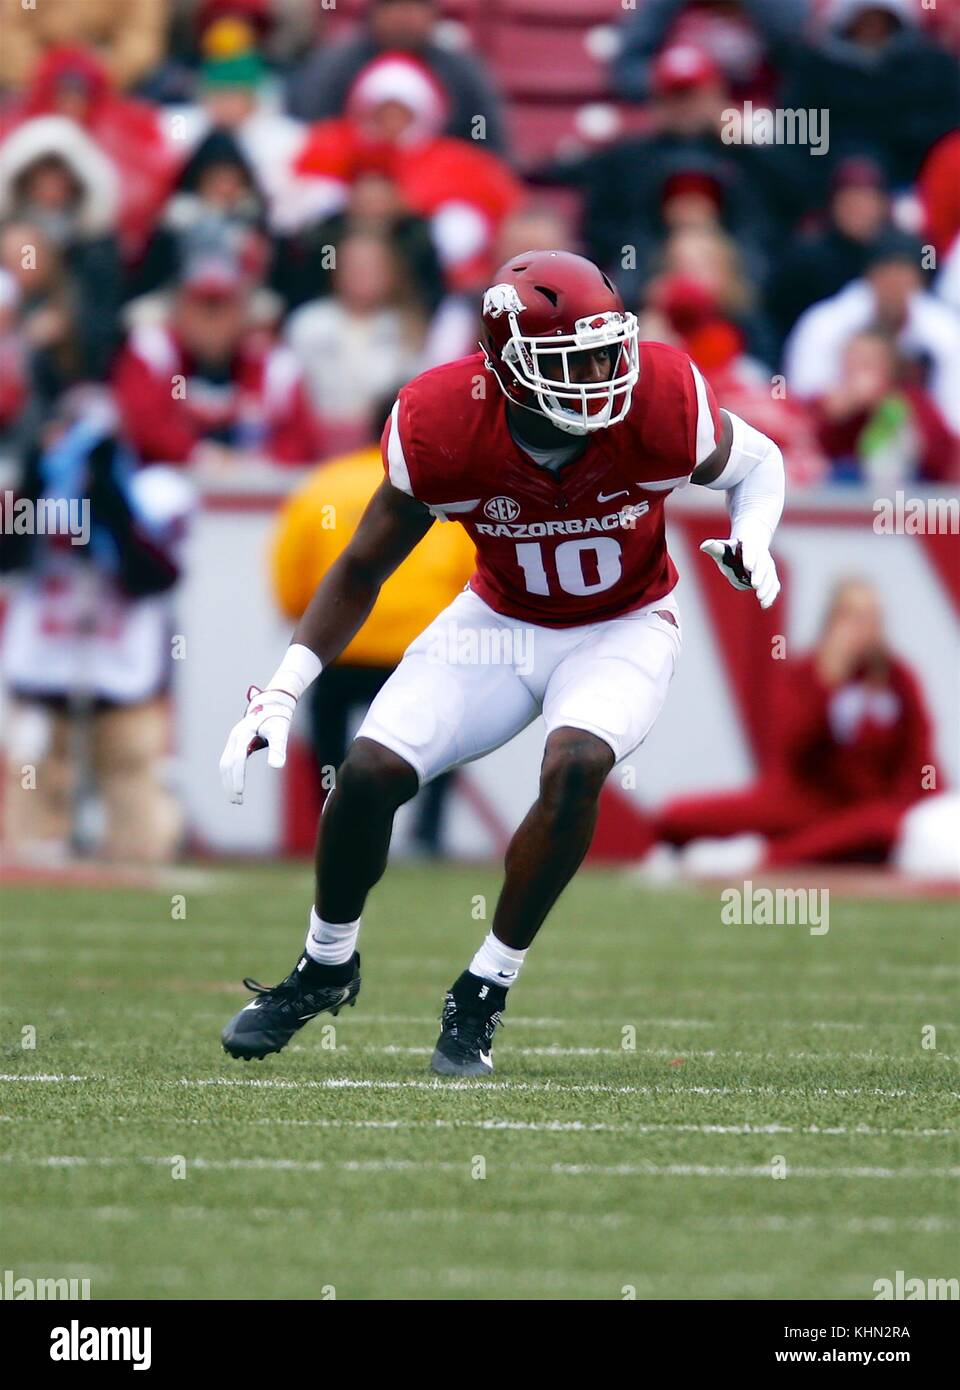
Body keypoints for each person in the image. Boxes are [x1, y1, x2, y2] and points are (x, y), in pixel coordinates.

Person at [216, 249, 785, 1077]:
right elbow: (363, 566)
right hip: (499, 621)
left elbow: (759, 463)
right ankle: (323, 964)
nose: (599, 376)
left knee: (579, 760)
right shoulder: (443, 427)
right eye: (571, 360)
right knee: (368, 771)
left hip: (622, 623)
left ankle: (483, 991)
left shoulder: (660, 400)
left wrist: (753, 536)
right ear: (506, 367)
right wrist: (282, 691)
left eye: (606, 351)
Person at [270, 400, 476, 856]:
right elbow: (474, 572)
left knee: (331, 749)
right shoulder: (445, 487)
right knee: (444, 744)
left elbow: (290, 566)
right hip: (421, 647)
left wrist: (304, 623)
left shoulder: (324, 484)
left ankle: (333, 832)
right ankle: (426, 836)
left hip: (341, 645)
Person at [637, 579, 935, 871]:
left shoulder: (897, 680)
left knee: (882, 827)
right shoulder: (809, 672)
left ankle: (761, 859)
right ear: (832, 621)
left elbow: (918, 754)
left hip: (866, 809)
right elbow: (789, 746)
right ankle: (732, 852)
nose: (862, 628)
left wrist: (906, 803)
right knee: (677, 815)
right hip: (801, 799)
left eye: (871, 618)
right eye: (853, 617)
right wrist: (827, 682)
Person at [112, 252, 319, 467]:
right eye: (202, 307)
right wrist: (202, 457)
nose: (211, 322)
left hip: (253, 485)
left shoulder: (273, 365)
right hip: (173, 477)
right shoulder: (155, 351)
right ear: (179, 308)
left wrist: (250, 466)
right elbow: (146, 428)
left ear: (244, 313)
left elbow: (300, 441)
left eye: (222, 307)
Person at [287, 0, 507, 152]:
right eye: (395, 7)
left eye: (414, 8)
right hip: (353, 181)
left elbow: (483, 132)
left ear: (433, 16)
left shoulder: (462, 72)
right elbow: (311, 129)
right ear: (375, 14)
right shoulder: (335, 66)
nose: (404, 18)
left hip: (435, 182)